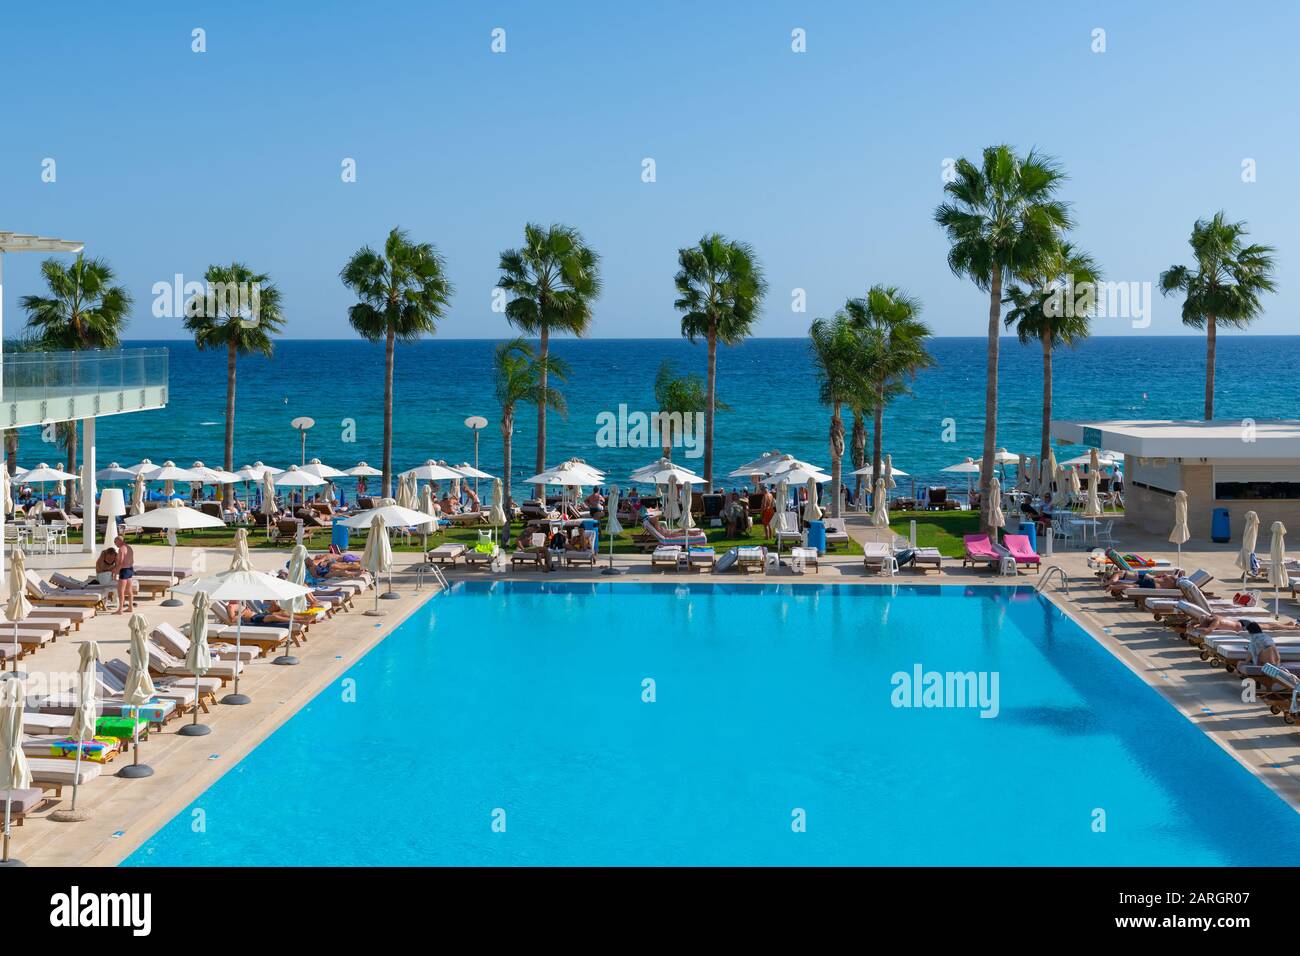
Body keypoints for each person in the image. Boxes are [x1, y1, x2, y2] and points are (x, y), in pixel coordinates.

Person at [113, 535, 136, 615]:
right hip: (130, 569)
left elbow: (121, 562)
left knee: (121, 591)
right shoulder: (129, 548)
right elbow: (132, 560)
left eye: (115, 542)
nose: (115, 544)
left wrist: (115, 572)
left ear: (119, 541)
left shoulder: (121, 549)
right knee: (129, 590)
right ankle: (130, 607)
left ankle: (120, 610)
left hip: (124, 570)